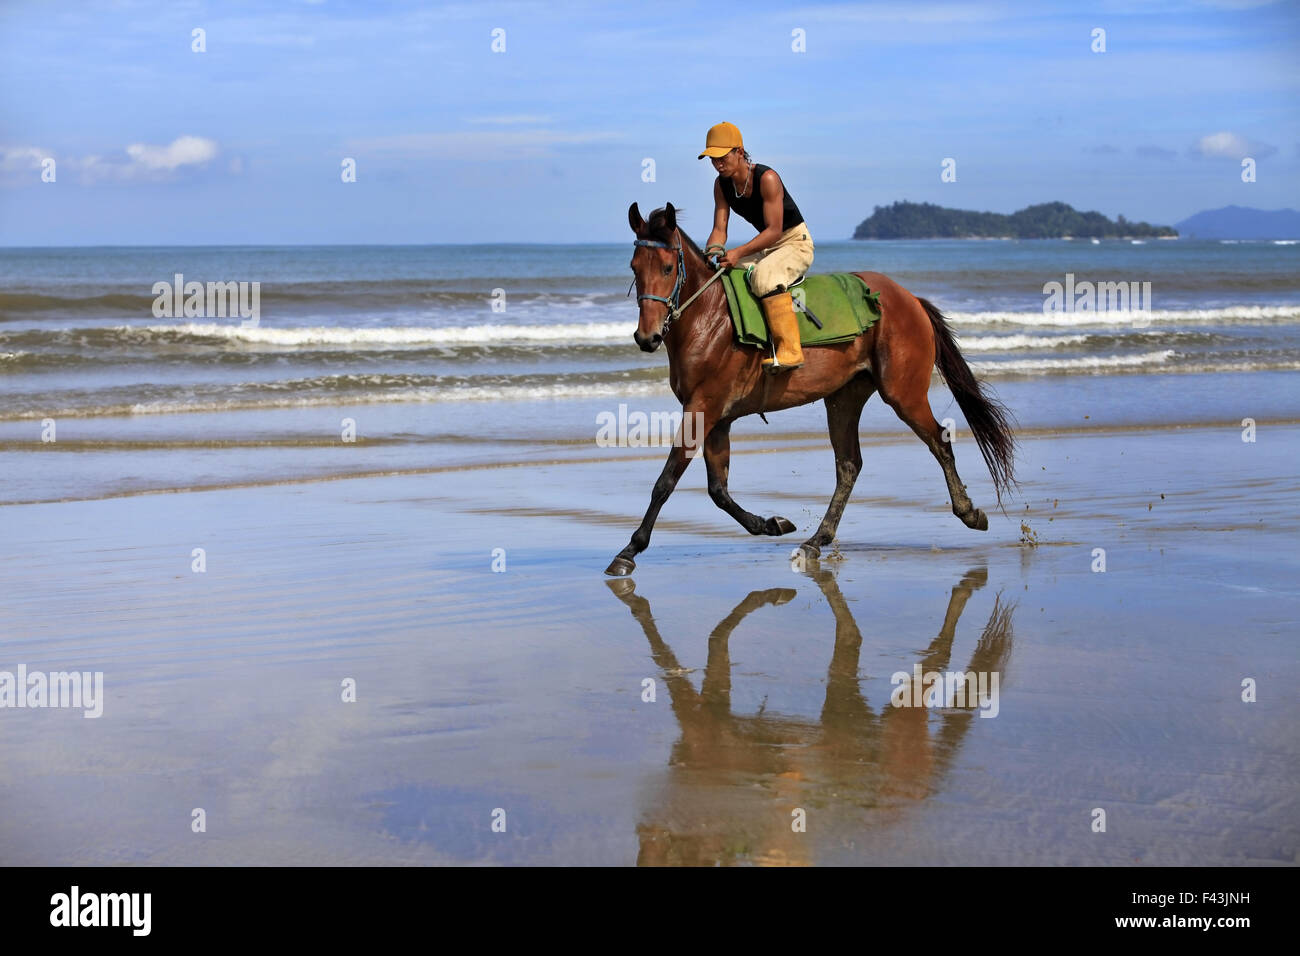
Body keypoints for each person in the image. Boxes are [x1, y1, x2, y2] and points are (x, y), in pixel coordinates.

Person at [699, 122, 814, 373]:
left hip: (795, 243)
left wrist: (738, 252)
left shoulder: (768, 178)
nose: (717, 164)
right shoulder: (721, 185)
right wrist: (712, 253)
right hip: (768, 247)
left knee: (764, 277)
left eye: (722, 156)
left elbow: (774, 230)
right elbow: (720, 228)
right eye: (712, 159)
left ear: (739, 151)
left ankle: (791, 351)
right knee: (722, 274)